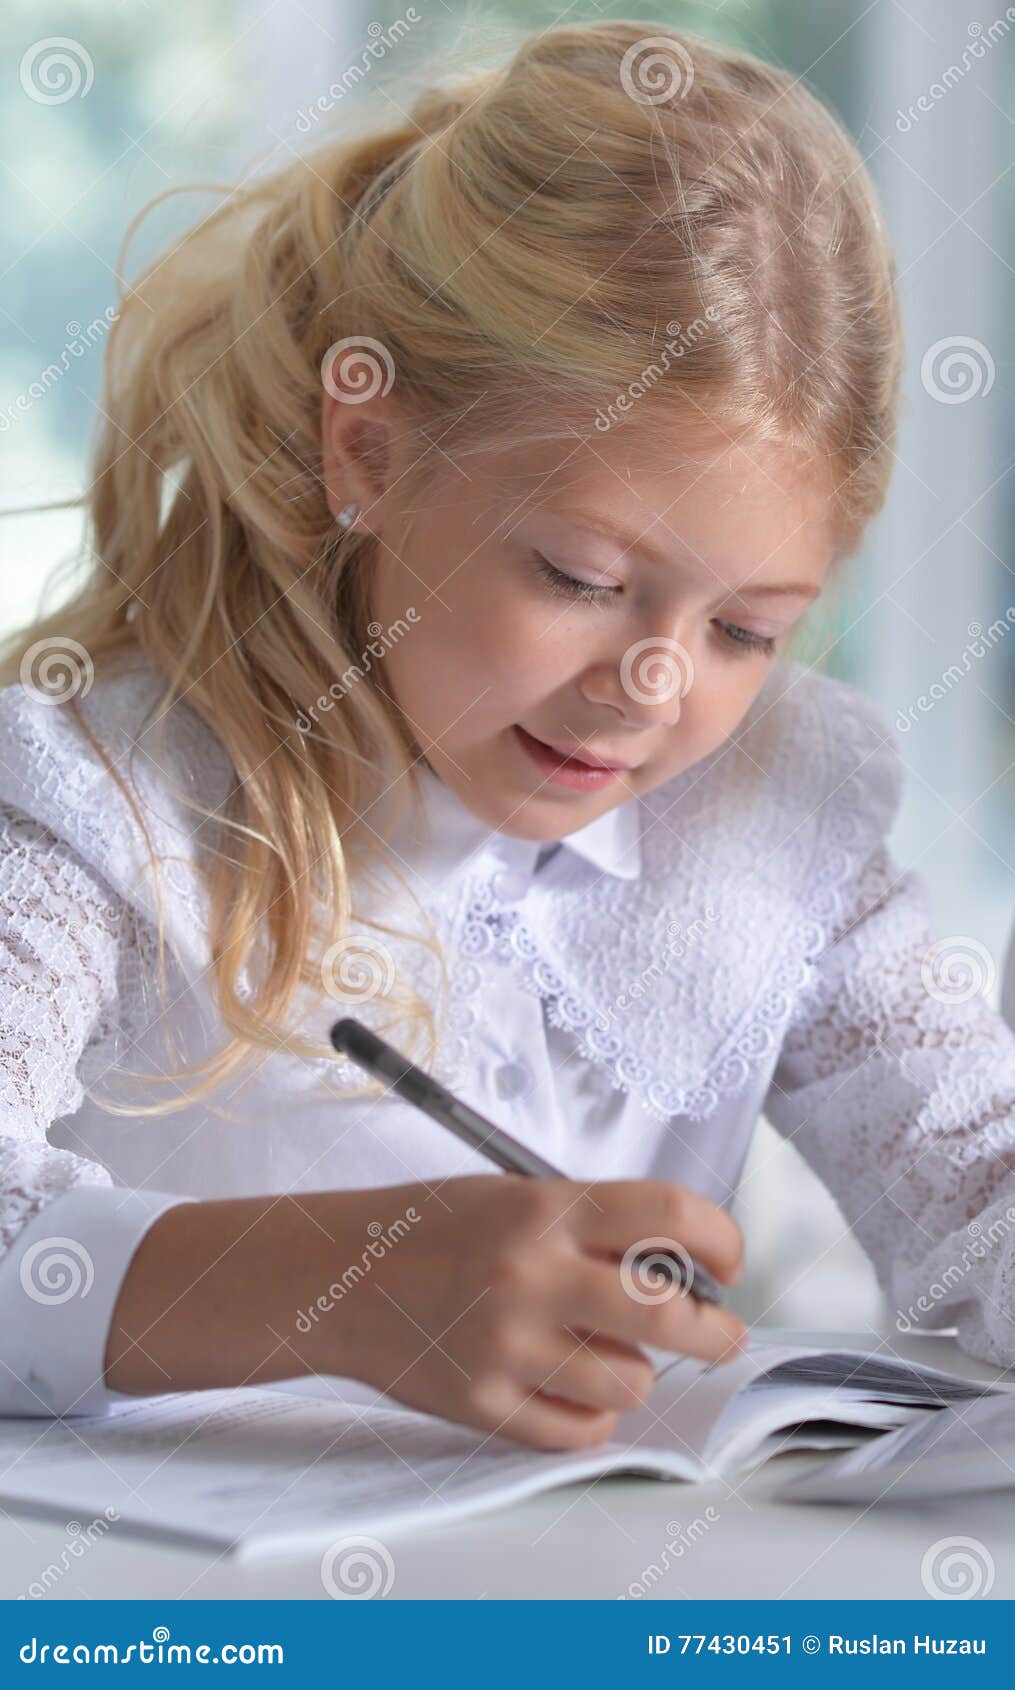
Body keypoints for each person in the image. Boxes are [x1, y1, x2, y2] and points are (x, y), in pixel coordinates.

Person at [1, 20, 1013, 1454]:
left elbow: (979, 1189)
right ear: (370, 450)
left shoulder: (778, 808)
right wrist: (352, 1287)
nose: (655, 684)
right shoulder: (100, 794)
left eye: (749, 630)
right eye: (582, 581)